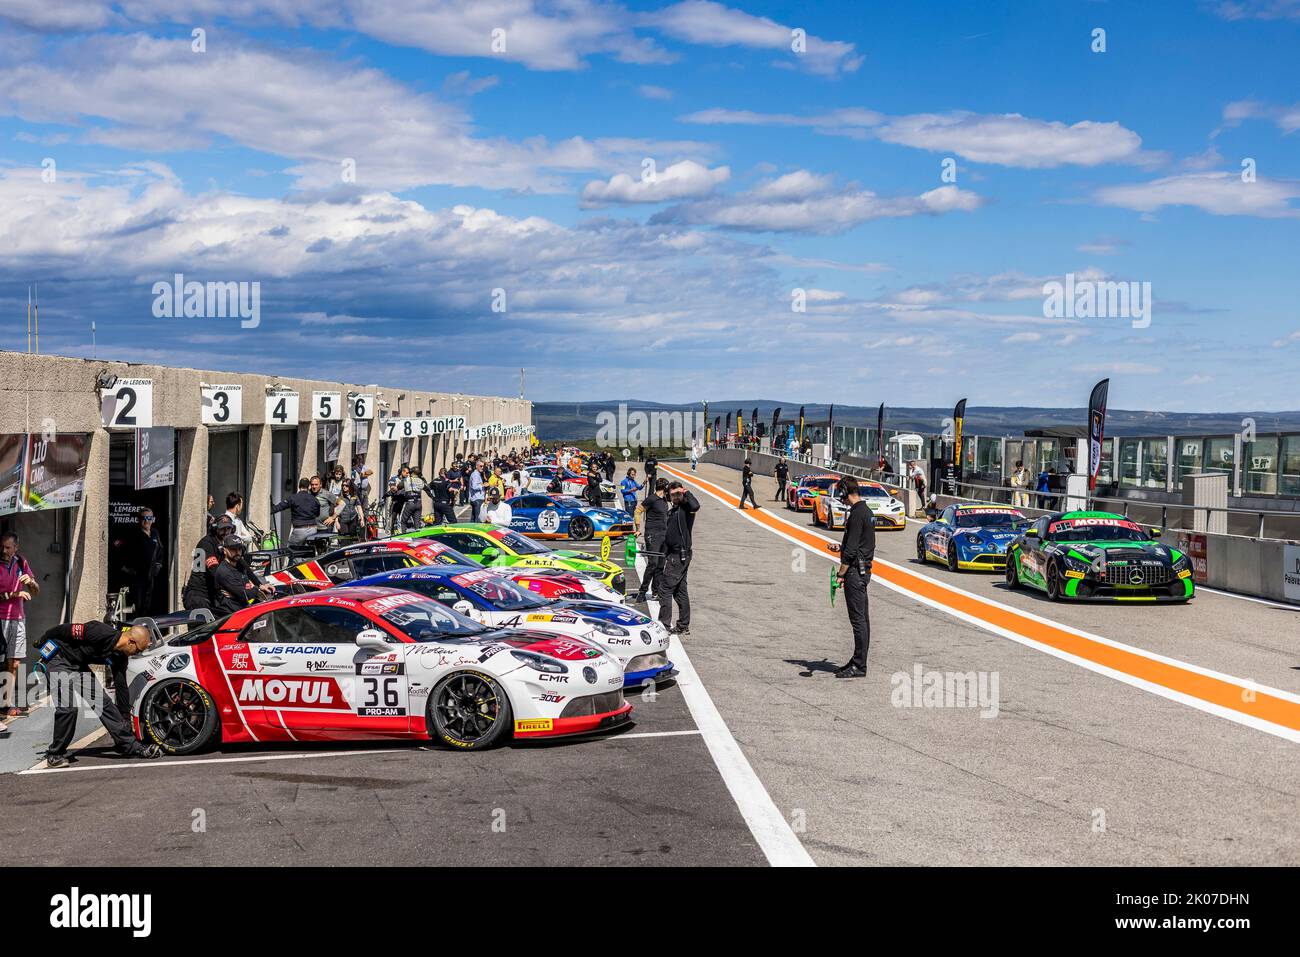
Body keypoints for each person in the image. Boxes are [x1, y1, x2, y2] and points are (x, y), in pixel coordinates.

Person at [38, 621, 163, 768]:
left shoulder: (120, 656)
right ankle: (55, 754)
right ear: (130, 641)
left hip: (79, 665)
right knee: (68, 708)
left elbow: (121, 687)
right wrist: (43, 640)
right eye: (138, 650)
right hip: (58, 659)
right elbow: (64, 629)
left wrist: (125, 722)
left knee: (103, 703)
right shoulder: (99, 631)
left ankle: (128, 746)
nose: (137, 654)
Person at [826, 476, 875, 679]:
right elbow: (861, 544)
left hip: (855, 572)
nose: (841, 497)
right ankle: (857, 661)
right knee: (863, 619)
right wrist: (841, 547)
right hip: (862, 570)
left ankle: (859, 665)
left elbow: (853, 551)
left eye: (841, 492)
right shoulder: (866, 511)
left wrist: (840, 575)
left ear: (845, 491)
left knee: (858, 621)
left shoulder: (856, 514)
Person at [0, 532, 39, 720]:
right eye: (2, 546)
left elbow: (36, 591)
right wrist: (14, 594)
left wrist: (30, 583)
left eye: (8, 547)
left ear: (16, 547)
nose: (3, 550)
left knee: (14, 662)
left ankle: (6, 704)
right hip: (0, 619)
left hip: (18, 618)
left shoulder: (22, 563)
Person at [656, 480, 699, 635]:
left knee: (664, 589)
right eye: (672, 494)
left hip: (679, 556)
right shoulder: (673, 511)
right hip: (675, 555)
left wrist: (685, 491)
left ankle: (663, 626)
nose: (675, 496)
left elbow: (695, 505)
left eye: (677, 493)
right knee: (680, 591)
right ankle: (683, 626)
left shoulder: (686, 508)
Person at [117, 508, 165, 616]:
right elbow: (118, 550)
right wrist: (125, 569)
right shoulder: (132, 534)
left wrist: (158, 565)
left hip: (151, 576)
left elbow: (160, 550)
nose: (146, 521)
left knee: (149, 604)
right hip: (137, 577)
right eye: (143, 518)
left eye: (149, 518)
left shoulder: (155, 533)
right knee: (137, 605)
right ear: (138, 519)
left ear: (153, 519)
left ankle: (146, 624)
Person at [183, 515, 234, 611]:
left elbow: (239, 564)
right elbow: (215, 570)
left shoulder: (223, 544)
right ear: (215, 529)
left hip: (212, 595)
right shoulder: (207, 543)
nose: (226, 532)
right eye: (222, 529)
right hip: (199, 596)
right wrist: (232, 587)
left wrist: (258, 585)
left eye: (229, 528)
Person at [633, 478, 669, 603]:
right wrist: (638, 529)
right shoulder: (652, 499)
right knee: (653, 564)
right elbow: (637, 511)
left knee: (660, 565)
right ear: (664, 487)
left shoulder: (664, 500)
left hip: (664, 535)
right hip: (652, 535)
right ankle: (642, 591)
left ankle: (656, 591)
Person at [272, 478, 326, 546]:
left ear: (299, 486)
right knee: (309, 549)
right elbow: (317, 514)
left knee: (290, 549)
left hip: (300, 529)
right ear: (308, 486)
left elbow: (280, 506)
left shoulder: (293, 498)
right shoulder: (314, 499)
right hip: (313, 529)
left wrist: (272, 509)